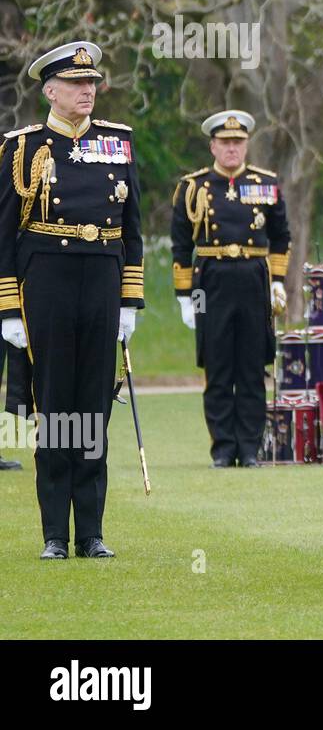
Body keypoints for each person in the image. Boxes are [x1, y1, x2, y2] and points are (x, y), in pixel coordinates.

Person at [0, 41, 143, 560]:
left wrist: (130, 302)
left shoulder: (118, 143)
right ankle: (55, 534)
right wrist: (9, 309)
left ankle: (92, 532)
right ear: (50, 91)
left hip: (102, 283)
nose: (89, 90)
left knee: (93, 408)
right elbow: (3, 236)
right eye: (77, 84)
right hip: (48, 284)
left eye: (93, 83)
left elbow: (133, 230)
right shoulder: (22, 148)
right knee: (55, 406)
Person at [170, 111, 291, 468]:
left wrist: (278, 283)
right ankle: (223, 448)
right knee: (218, 366)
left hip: (254, 277)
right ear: (213, 145)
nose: (232, 149)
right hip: (210, 280)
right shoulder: (194, 187)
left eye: (238, 142)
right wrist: (185, 297)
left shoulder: (265, 183)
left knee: (252, 368)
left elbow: (282, 237)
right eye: (225, 143)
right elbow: (180, 244)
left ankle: (250, 448)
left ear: (247, 145)